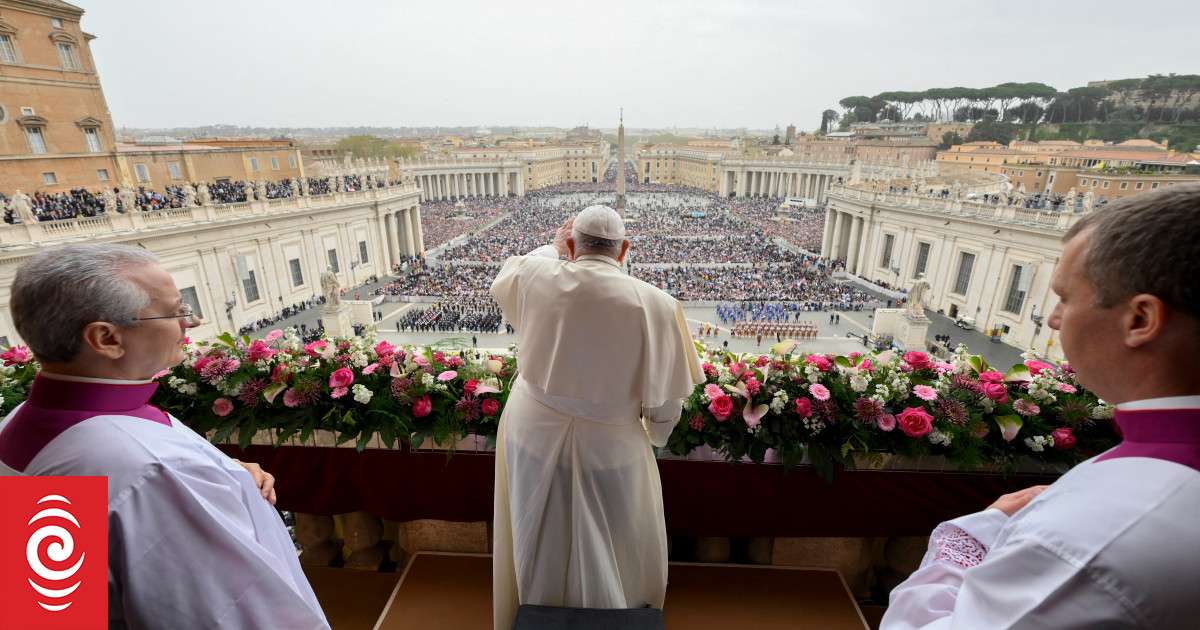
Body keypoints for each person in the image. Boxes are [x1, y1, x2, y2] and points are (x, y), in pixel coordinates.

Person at [882, 183, 1200, 628]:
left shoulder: (1101, 528)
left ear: (1139, 319)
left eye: (1066, 298)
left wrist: (973, 534)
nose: (1052, 318)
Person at [0, 244, 330, 629]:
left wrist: (222, 475)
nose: (193, 320)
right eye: (176, 311)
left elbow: (53, 601)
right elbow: (226, 614)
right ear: (106, 339)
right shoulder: (151, 469)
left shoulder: (22, 423)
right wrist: (189, 479)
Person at [489, 205, 704, 630]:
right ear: (624, 250)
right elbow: (664, 406)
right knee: (616, 542)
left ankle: (534, 612)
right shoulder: (657, 305)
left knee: (537, 533)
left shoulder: (536, 275)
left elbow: (510, 274)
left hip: (531, 432)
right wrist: (656, 434)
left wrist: (553, 248)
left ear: (571, 246)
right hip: (611, 443)